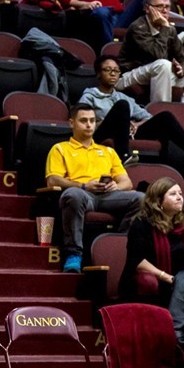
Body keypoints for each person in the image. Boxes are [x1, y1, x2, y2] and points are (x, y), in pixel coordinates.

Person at [81, 56, 184, 174]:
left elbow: (148, 117)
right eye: (108, 70)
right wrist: (116, 121)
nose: (113, 73)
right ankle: (123, 156)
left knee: (165, 117)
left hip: (126, 133)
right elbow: (82, 123)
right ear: (98, 74)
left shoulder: (123, 97)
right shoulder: (90, 96)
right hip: (101, 133)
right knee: (122, 106)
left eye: (116, 70)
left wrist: (136, 124)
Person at [45, 105, 143, 273]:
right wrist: (84, 186)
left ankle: (120, 244)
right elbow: (52, 180)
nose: (89, 124)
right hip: (83, 194)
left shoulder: (108, 151)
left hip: (108, 196)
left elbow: (126, 182)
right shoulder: (60, 149)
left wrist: (116, 186)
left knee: (142, 198)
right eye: (83, 121)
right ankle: (73, 254)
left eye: (92, 120)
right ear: (72, 123)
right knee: (73, 195)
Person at [121, 177, 184, 305]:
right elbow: (137, 261)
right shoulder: (142, 223)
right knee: (147, 281)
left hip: (182, 279)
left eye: (180, 193)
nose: (179, 197)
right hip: (154, 278)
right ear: (158, 201)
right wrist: (167, 277)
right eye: (173, 194)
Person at [117, 0, 184, 110]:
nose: (164, 10)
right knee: (163, 64)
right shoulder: (138, 27)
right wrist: (164, 27)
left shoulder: (169, 29)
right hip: (130, 74)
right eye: (159, 6)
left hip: (158, 72)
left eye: (167, 7)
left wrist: (181, 70)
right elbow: (157, 55)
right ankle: (160, 112)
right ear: (147, 8)